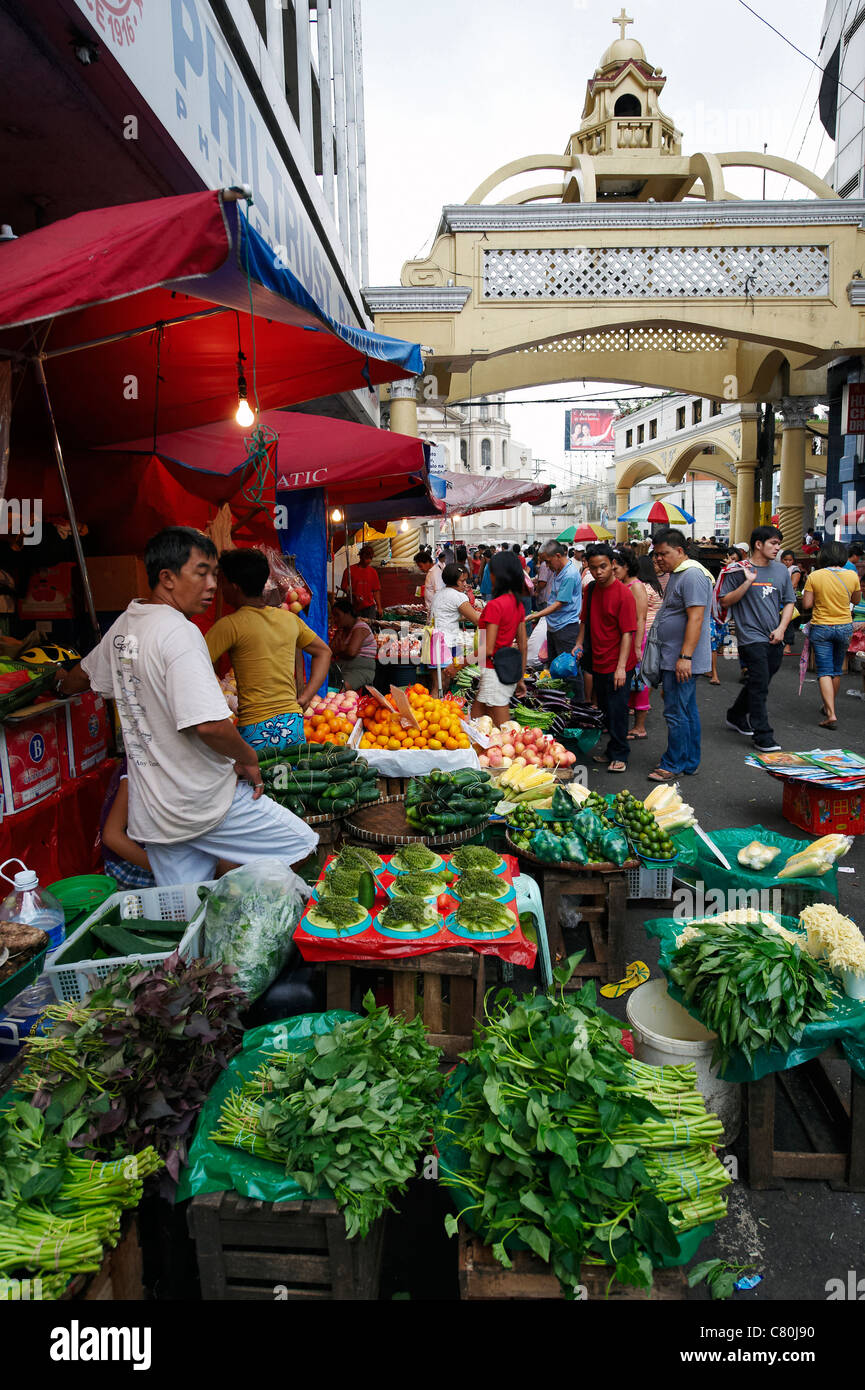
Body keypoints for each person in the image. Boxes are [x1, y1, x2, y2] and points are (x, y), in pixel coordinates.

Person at [56, 526, 319, 885]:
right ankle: (249, 911)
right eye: (202, 572)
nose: (212, 584)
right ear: (167, 578)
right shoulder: (180, 632)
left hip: (156, 813)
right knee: (301, 844)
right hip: (204, 800)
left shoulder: (124, 627)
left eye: (215, 574)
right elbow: (208, 725)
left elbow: (81, 676)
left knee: (189, 907)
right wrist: (247, 757)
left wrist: (56, 682)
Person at [206, 548, 332, 751]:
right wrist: (307, 695)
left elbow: (196, 667)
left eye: (222, 583)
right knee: (292, 781)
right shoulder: (289, 619)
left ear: (234, 587)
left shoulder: (228, 625)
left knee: (258, 782)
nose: (220, 589)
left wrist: (220, 702)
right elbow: (324, 652)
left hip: (256, 728)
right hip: (293, 724)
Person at [719, 525, 795, 754]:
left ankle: (735, 714)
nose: (777, 548)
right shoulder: (737, 570)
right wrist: (747, 582)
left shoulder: (781, 571)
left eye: (779, 544)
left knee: (758, 682)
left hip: (775, 635)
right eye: (773, 543)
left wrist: (782, 628)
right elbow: (724, 601)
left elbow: (790, 601)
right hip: (750, 637)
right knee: (760, 684)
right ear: (758, 544)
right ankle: (763, 735)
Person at [647, 529, 713, 782]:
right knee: (685, 710)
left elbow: (696, 617)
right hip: (674, 657)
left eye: (664, 553)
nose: (659, 559)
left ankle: (674, 763)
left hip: (681, 658)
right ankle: (688, 761)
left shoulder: (693, 575)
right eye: (657, 554)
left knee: (676, 712)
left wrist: (685, 656)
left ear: (680, 551)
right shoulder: (680, 574)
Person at [573, 546, 637, 774]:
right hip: (597, 659)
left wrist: (621, 668)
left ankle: (620, 754)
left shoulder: (623, 594)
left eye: (603, 566)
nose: (598, 572)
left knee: (618, 710)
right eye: (593, 567)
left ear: (612, 564)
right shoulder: (590, 590)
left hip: (618, 663)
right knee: (606, 710)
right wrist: (579, 643)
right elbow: (584, 620)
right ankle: (612, 750)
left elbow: (627, 633)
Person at [800, 541, 862, 729]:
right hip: (844, 627)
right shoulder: (852, 575)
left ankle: (831, 713)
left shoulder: (815, 576)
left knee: (824, 671)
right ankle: (828, 707)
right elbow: (856, 600)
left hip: (822, 627)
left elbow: (807, 605)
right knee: (836, 669)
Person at [471, 550, 528, 728]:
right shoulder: (517, 603)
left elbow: (488, 649)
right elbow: (524, 645)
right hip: (504, 671)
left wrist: (459, 663)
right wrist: (520, 678)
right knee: (477, 723)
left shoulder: (495, 606)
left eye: (491, 572)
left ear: (497, 575)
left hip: (493, 670)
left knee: (504, 731)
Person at [526, 542, 584, 693]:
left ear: (558, 556)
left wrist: (535, 615)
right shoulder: (558, 570)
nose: (545, 565)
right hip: (554, 626)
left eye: (547, 561)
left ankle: (576, 705)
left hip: (566, 628)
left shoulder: (569, 574)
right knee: (555, 669)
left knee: (569, 670)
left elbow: (559, 603)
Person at [617, 552, 662, 740]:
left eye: (615, 568)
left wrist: (636, 647)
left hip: (640, 639)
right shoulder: (633, 585)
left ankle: (640, 727)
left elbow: (640, 618)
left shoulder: (638, 587)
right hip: (634, 638)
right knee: (633, 681)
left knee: (641, 682)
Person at [430, 564, 481, 687]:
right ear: (453, 580)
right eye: (462, 581)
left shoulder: (440, 594)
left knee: (441, 685)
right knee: (440, 686)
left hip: (436, 642)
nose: (465, 584)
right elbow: (476, 619)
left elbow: (451, 615)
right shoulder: (458, 596)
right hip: (444, 644)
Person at [329, 599, 379, 689]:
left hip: (360, 670)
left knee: (339, 688)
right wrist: (342, 649)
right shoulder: (342, 630)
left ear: (348, 613)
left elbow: (351, 652)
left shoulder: (360, 628)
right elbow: (331, 650)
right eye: (333, 616)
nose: (335, 619)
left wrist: (340, 650)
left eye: (337, 615)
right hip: (342, 667)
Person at [338, 543, 382, 619]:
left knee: (369, 628)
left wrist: (379, 607)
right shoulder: (349, 570)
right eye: (366, 558)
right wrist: (353, 594)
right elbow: (344, 587)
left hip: (369, 607)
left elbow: (376, 591)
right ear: (361, 556)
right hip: (353, 607)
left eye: (370, 558)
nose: (369, 560)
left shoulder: (373, 572)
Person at [780, 548, 804, 655]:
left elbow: (793, 584)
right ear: (781, 560)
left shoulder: (795, 569)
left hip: (788, 599)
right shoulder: (778, 568)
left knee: (788, 622)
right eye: (785, 560)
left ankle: (788, 645)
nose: (787, 562)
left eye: (789, 560)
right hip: (777, 599)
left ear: (793, 560)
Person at [415, 548, 444, 613]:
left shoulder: (435, 572)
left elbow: (438, 591)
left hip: (435, 611)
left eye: (421, 566)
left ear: (427, 562)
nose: (420, 568)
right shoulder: (431, 571)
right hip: (431, 610)